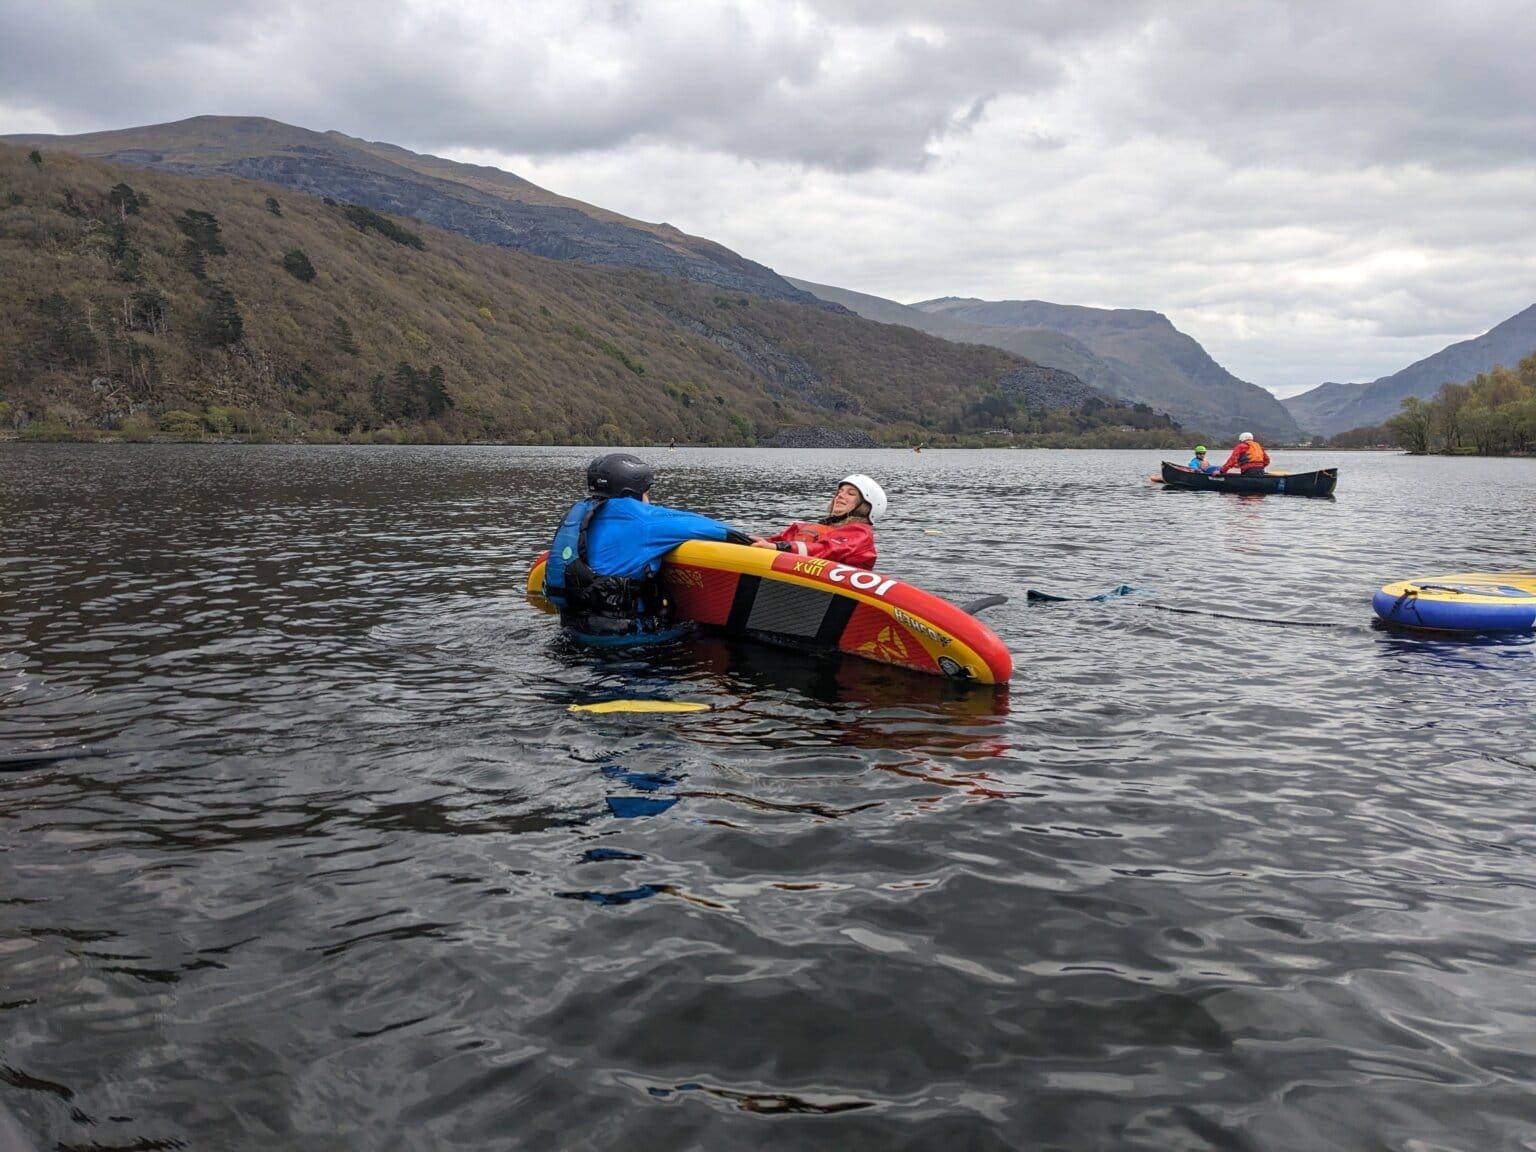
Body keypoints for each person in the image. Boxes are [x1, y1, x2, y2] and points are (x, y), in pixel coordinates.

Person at [544, 452, 751, 638]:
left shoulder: (580, 513)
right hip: (621, 643)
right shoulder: (644, 518)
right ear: (632, 492)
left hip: (572, 631)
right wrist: (760, 543)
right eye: (646, 491)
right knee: (697, 636)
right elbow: (714, 529)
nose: (648, 498)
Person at [751, 474, 884, 569]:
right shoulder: (809, 528)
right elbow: (777, 541)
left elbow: (828, 550)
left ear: (864, 506)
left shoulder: (860, 534)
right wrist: (756, 542)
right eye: (840, 492)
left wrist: (778, 547)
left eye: (851, 493)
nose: (840, 496)